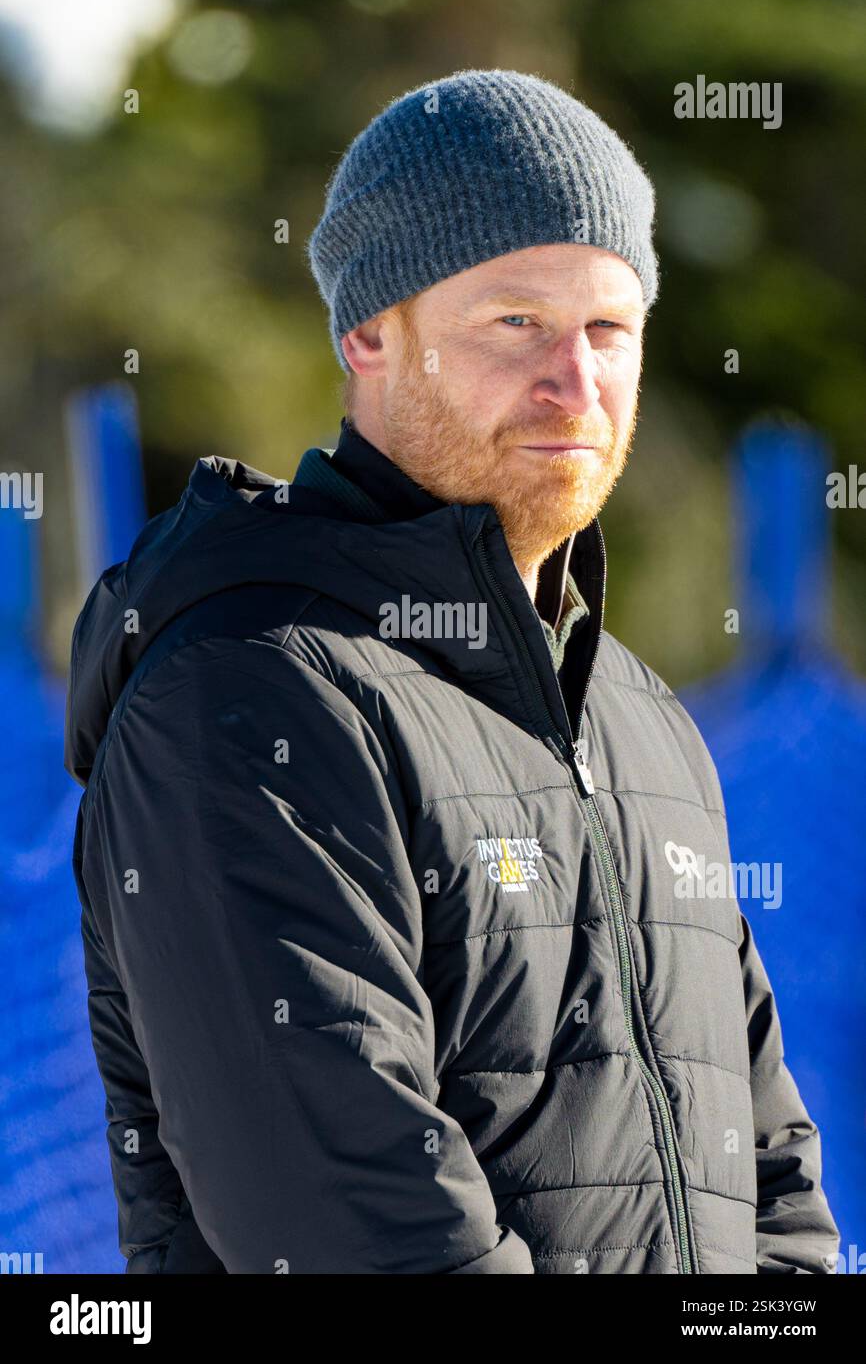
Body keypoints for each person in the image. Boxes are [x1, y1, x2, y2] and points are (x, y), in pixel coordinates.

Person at [65, 68, 840, 1274]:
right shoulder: (246, 693)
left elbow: (773, 1186)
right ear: (368, 334)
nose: (574, 383)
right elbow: (358, 1234)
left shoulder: (636, 717)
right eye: (514, 322)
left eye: (606, 330)